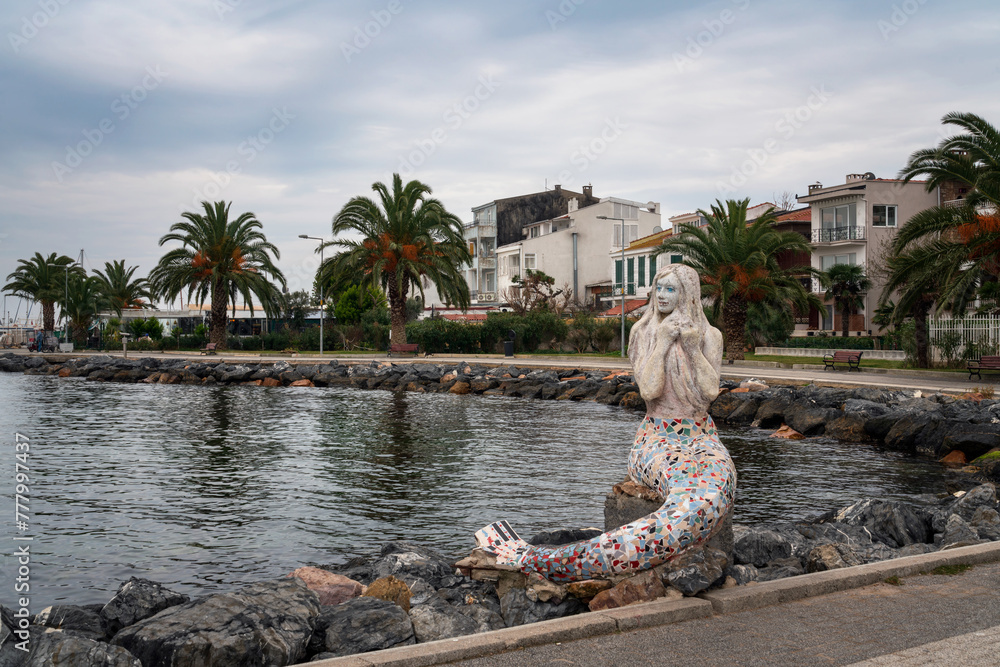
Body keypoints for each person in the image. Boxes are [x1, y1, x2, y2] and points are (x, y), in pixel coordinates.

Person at [475, 264, 736, 582]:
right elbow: (649, 389)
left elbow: (709, 392)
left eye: (671, 289)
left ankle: (537, 557)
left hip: (701, 435)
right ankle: (538, 559)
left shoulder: (711, 336)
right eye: (659, 288)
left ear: (689, 295)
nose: (662, 295)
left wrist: (693, 349)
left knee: (713, 491)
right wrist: (665, 342)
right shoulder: (643, 333)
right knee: (691, 507)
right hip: (657, 438)